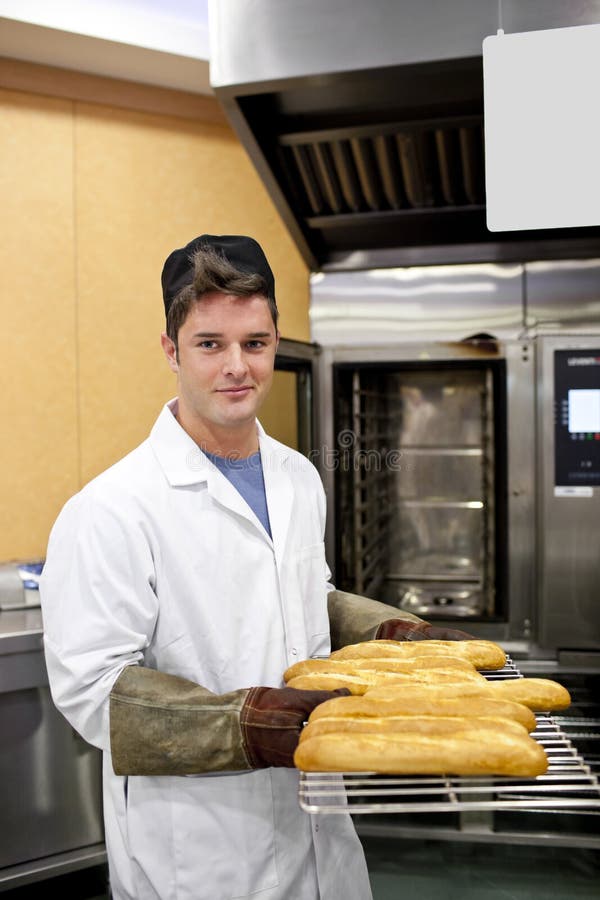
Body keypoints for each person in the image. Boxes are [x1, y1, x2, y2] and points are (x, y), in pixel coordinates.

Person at [39, 234, 473, 900]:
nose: (237, 367)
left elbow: (304, 596)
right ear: (171, 350)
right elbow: (94, 691)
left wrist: (390, 635)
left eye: (256, 343)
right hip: (203, 851)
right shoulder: (112, 509)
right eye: (210, 344)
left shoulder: (298, 477)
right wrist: (247, 725)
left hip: (318, 826)